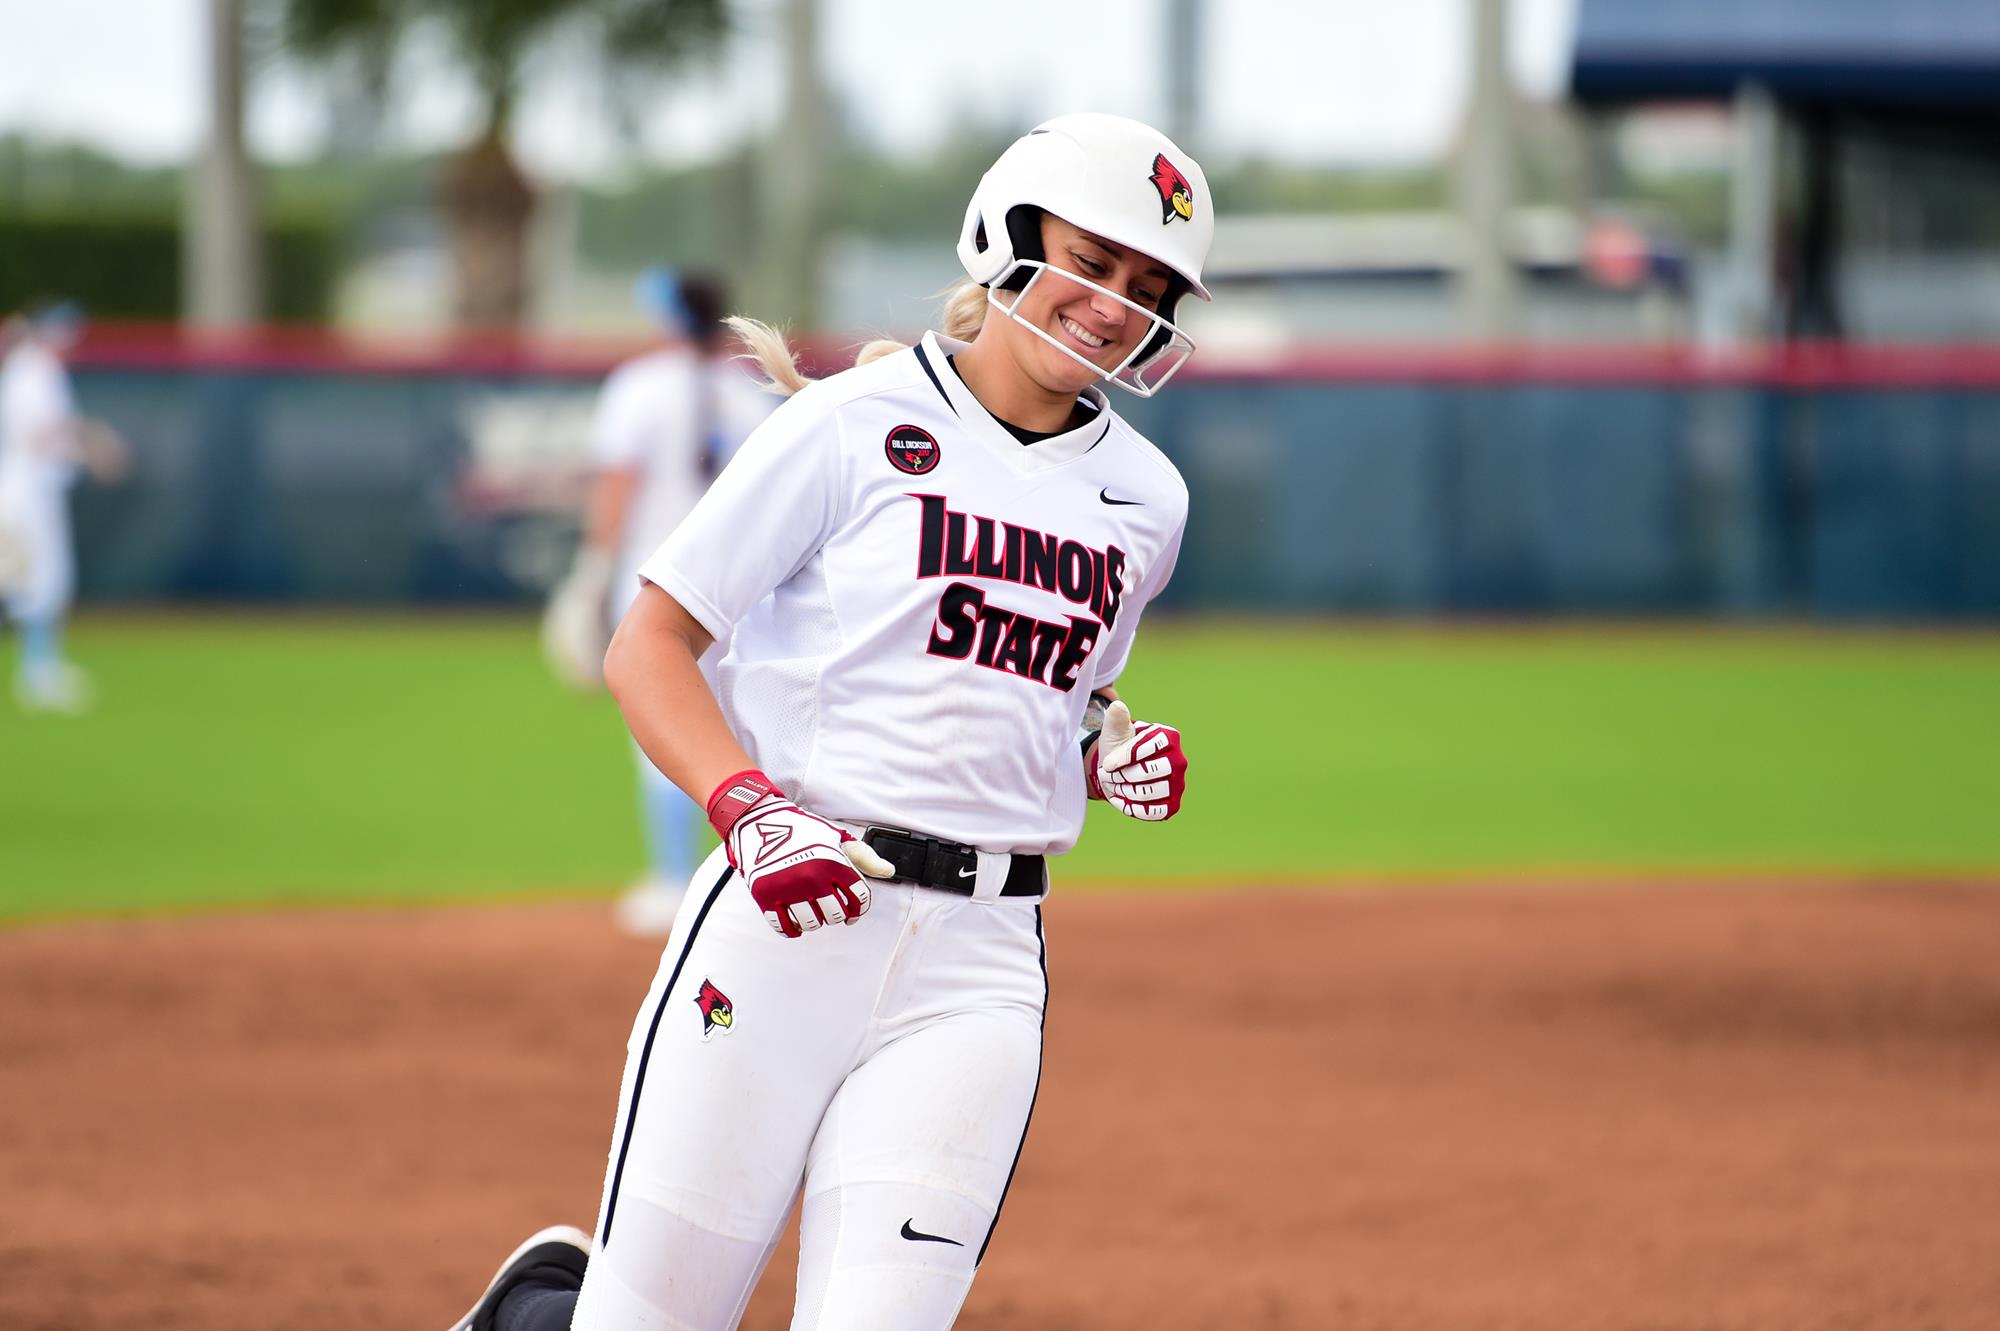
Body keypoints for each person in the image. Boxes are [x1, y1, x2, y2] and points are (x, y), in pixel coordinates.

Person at [448, 112, 1206, 1331]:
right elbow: (650, 643)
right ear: (1006, 238)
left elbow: (1060, 690)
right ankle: (538, 1314)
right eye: (1093, 260)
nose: (1117, 304)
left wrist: (1109, 743)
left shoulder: (1147, 498)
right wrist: (748, 811)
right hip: (788, 914)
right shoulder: (844, 425)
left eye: (1150, 285)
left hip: (981, 965)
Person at [542, 270, 777, 936]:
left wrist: (590, 573)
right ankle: (751, 870)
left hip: (657, 590)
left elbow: (617, 485)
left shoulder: (639, 386)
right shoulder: (745, 394)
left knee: (662, 731)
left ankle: (674, 879)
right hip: (741, 592)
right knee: (742, 729)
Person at [0, 301, 126, 714]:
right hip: (23, 496)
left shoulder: (40, 369)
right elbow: (35, 434)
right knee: (31, 584)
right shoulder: (30, 370)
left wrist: (85, 450)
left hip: (39, 493)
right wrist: (94, 440)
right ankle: (38, 673)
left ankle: (40, 670)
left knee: (44, 584)